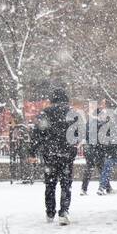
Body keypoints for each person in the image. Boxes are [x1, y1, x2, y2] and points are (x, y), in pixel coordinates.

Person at [31, 88, 80, 224]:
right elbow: (78, 133)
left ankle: (50, 212)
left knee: (50, 184)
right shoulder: (72, 113)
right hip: (66, 154)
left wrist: (33, 151)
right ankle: (64, 211)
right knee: (66, 184)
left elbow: (37, 134)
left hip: (50, 154)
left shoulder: (45, 113)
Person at [80, 106, 109, 196]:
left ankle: (83, 189)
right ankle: (105, 188)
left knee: (89, 169)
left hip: (89, 150)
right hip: (98, 150)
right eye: (102, 114)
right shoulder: (100, 124)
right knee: (102, 169)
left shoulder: (89, 123)